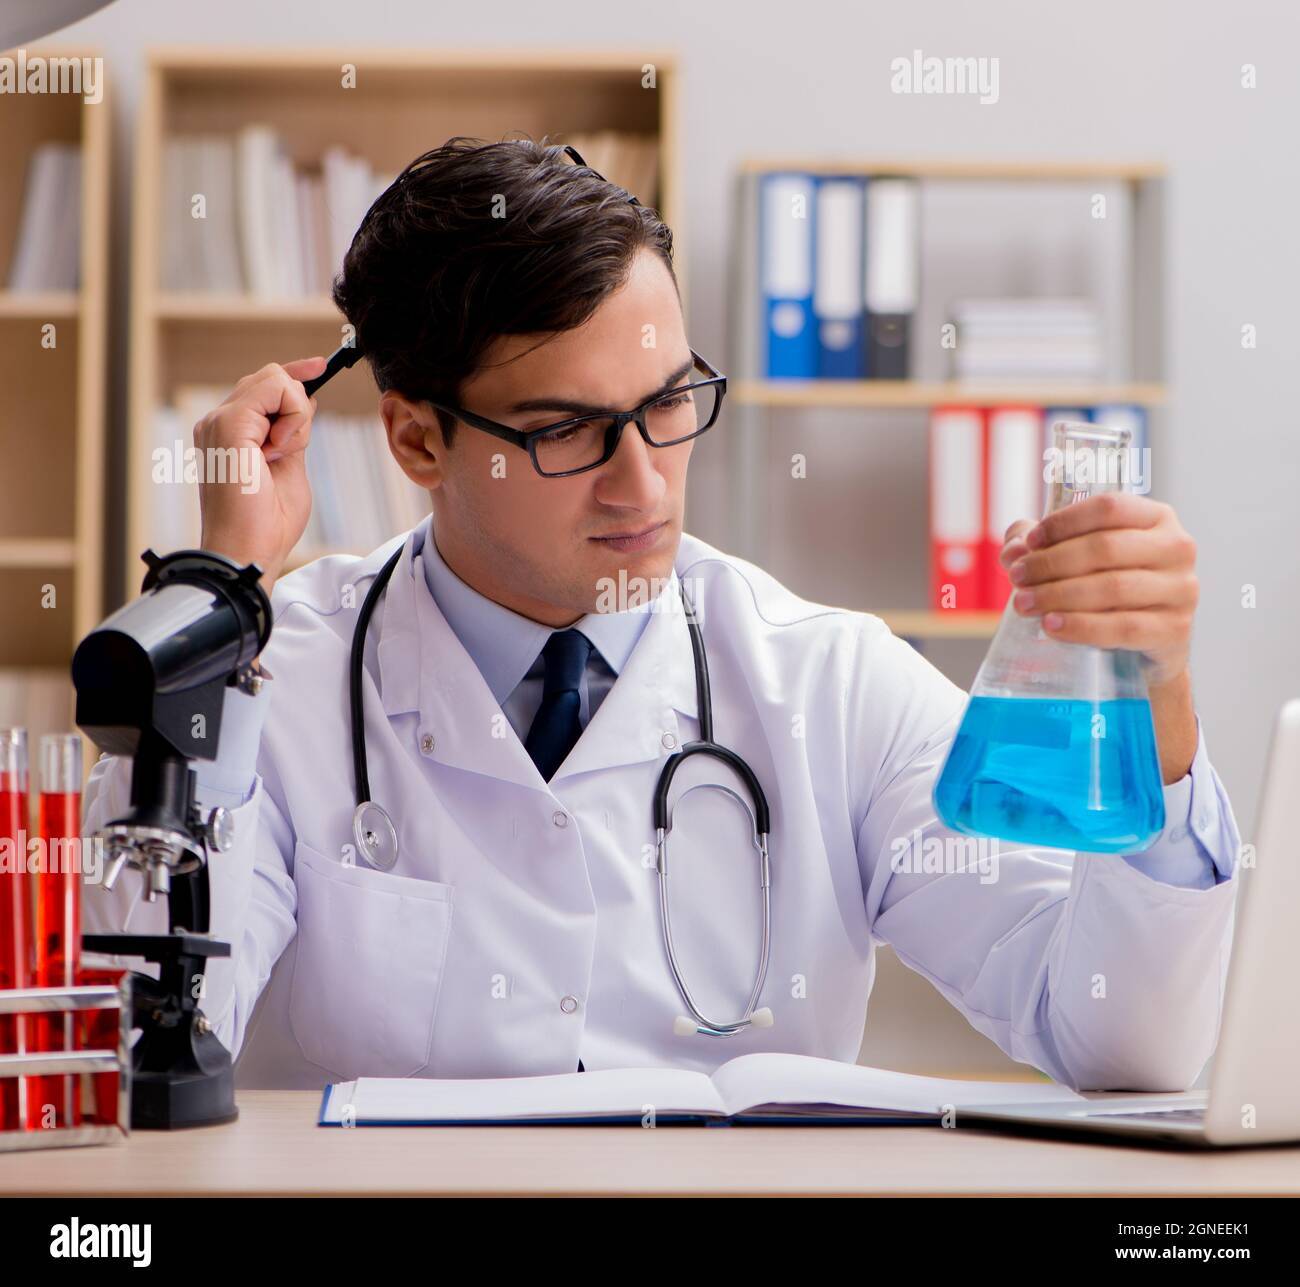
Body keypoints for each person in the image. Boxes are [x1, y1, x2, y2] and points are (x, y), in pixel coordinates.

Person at [83, 138, 1239, 1089]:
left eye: (670, 402)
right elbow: (134, 1041)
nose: (643, 483)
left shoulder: (826, 685)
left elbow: (1122, 1044)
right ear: (417, 439)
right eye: (566, 431)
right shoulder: (276, 682)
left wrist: (1161, 703)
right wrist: (213, 602)